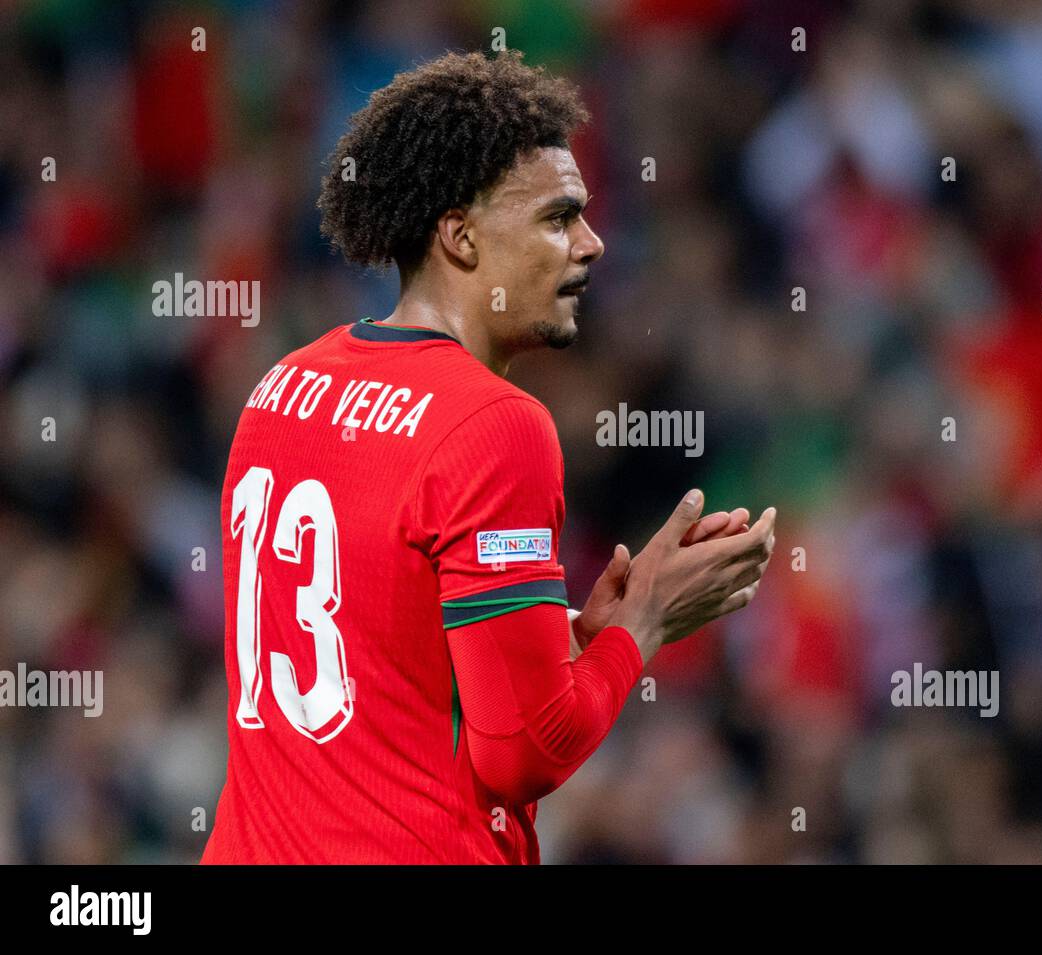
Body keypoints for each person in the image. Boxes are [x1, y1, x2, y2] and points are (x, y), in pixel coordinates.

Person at [201, 50, 776, 864]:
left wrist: (573, 639)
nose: (593, 243)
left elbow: (385, 665)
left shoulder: (278, 389)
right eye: (558, 217)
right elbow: (523, 750)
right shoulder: (494, 424)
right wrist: (643, 625)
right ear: (461, 238)